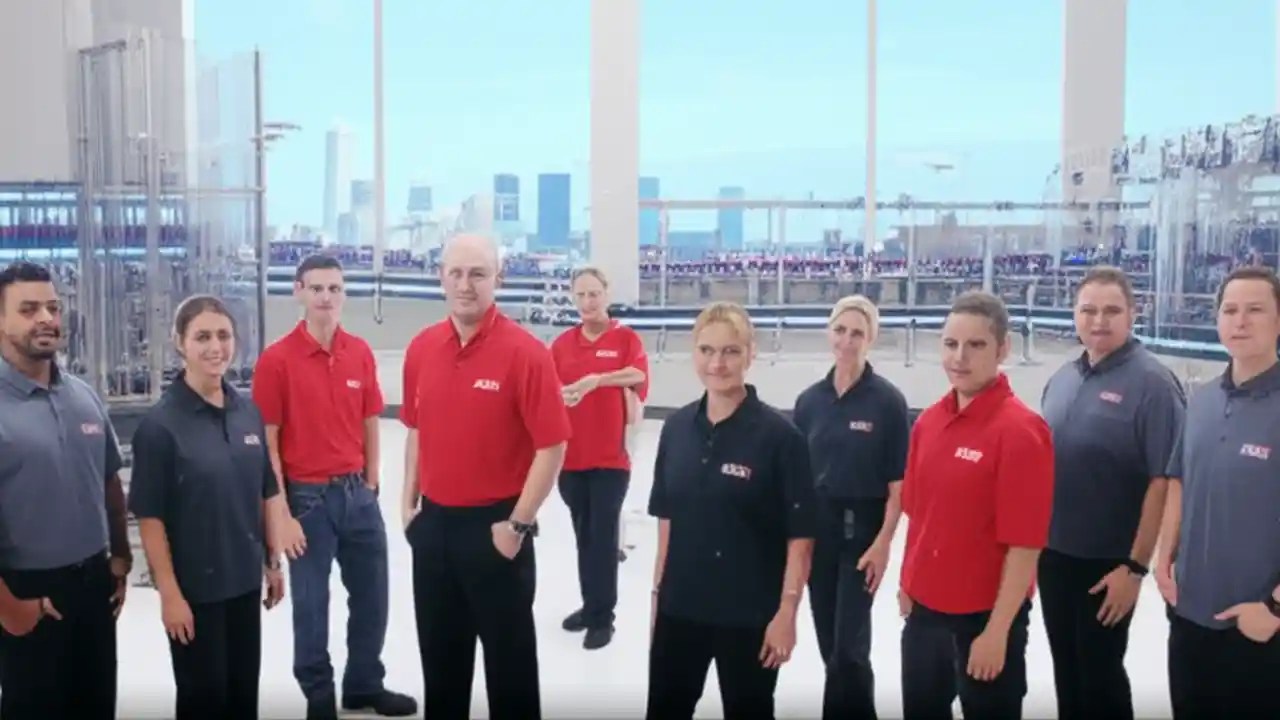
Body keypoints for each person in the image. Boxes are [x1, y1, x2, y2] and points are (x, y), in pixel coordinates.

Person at [400, 234, 571, 720]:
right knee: (442, 668)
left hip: (497, 530)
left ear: (500, 278)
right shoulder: (421, 348)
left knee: (510, 671)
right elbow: (415, 427)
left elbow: (552, 445)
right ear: (441, 278)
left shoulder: (526, 354)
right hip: (433, 529)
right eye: (455, 273)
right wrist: (408, 504)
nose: (465, 285)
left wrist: (517, 525)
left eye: (478, 274)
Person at [253, 255, 415, 719]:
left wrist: (372, 476)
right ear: (299, 292)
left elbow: (370, 416)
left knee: (373, 594)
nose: (326, 297)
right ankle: (318, 694)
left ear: (344, 294)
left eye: (335, 289)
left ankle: (364, 683)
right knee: (311, 604)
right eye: (317, 288)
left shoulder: (359, 352)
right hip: (306, 499)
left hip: (357, 494)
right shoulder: (277, 360)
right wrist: (280, 512)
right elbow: (269, 443)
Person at [646, 301, 817, 720]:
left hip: (750, 617)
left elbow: (801, 535)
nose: (717, 363)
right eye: (706, 350)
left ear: (750, 354)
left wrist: (787, 612)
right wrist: (657, 598)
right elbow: (667, 521)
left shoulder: (781, 438)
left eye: (730, 351)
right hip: (681, 608)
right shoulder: (676, 429)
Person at [128, 295, 289, 719]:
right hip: (195, 594)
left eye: (223, 335)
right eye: (202, 337)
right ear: (180, 343)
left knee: (241, 697)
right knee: (204, 700)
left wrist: (272, 563)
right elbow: (150, 519)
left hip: (243, 585)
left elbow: (263, 490)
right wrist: (170, 596)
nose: (215, 347)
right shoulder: (160, 428)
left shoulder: (246, 412)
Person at [898, 290, 1054, 720]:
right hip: (926, 615)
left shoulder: (1021, 431)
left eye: (976, 345)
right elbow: (920, 516)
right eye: (950, 344)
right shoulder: (929, 422)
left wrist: (996, 632)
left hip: (983, 619)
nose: (959, 357)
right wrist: (908, 582)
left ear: (1003, 349)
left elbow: (1025, 545)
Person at [1038, 266, 1185, 720]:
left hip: (1108, 563)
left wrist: (1135, 568)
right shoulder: (1063, 377)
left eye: (1111, 310)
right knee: (1067, 674)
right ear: (1074, 314)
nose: (1099, 320)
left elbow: (1162, 481)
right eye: (1088, 310)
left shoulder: (1154, 385)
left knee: (1100, 680)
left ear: (1133, 314)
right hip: (1055, 554)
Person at [0, 261, 132, 720]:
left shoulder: (82, 395)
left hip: (93, 585)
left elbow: (108, 479)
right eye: (29, 308)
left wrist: (120, 555)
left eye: (53, 307)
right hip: (27, 590)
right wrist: (10, 608)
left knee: (95, 704)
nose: (46, 319)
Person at [1156, 266, 1280, 719]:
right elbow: (1179, 479)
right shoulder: (1201, 399)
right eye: (1230, 310)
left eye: (1255, 310)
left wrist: (1273, 608)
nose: (1240, 321)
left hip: (1258, 624)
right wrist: (1164, 558)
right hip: (1190, 615)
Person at [793, 295, 909, 720]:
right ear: (829, 333)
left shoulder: (888, 402)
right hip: (819, 532)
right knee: (830, 646)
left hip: (862, 537)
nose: (846, 340)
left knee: (850, 649)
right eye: (840, 330)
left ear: (871, 338)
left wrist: (883, 544)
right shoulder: (809, 402)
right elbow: (797, 480)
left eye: (857, 332)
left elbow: (898, 488)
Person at [550, 266, 649, 650]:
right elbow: (548, 384)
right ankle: (590, 606)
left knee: (603, 538)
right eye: (581, 295)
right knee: (583, 536)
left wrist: (596, 380)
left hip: (610, 460)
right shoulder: (561, 345)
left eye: (594, 294)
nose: (588, 302)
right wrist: (563, 393)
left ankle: (603, 618)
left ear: (606, 295)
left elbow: (637, 376)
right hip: (571, 460)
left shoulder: (625, 339)